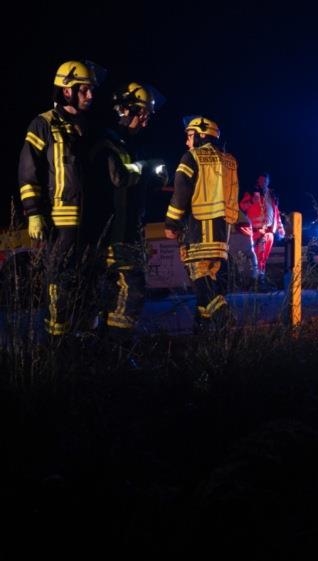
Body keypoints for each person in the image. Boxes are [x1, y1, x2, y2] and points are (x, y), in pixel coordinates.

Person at [18, 59, 106, 339]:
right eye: (84, 89)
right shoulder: (43, 124)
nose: (90, 95)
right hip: (61, 218)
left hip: (91, 222)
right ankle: (57, 342)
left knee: (90, 279)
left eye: (92, 89)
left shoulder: (89, 128)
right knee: (59, 279)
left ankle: (85, 339)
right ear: (66, 91)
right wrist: (33, 212)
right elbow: (28, 169)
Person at [88, 81, 166, 348]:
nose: (145, 121)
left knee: (112, 295)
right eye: (142, 113)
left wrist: (154, 175)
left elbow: (138, 182)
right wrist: (146, 168)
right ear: (127, 110)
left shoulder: (130, 147)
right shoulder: (107, 142)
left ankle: (106, 352)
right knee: (132, 290)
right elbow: (119, 177)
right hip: (115, 233)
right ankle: (117, 349)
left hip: (128, 230)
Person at [164, 115, 246, 333]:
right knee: (206, 287)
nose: (187, 142)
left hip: (198, 232)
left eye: (190, 136)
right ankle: (204, 334)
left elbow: (181, 190)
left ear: (201, 135)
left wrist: (172, 222)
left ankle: (225, 320)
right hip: (221, 236)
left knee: (203, 284)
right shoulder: (229, 160)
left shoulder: (192, 157)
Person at [239, 172, 286, 290]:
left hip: (269, 232)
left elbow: (276, 213)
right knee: (258, 255)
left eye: (264, 181)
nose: (262, 183)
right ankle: (257, 281)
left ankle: (260, 279)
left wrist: (280, 228)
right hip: (256, 231)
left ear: (268, 182)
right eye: (260, 181)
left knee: (264, 257)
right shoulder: (251, 193)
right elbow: (242, 206)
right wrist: (251, 202)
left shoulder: (272, 195)